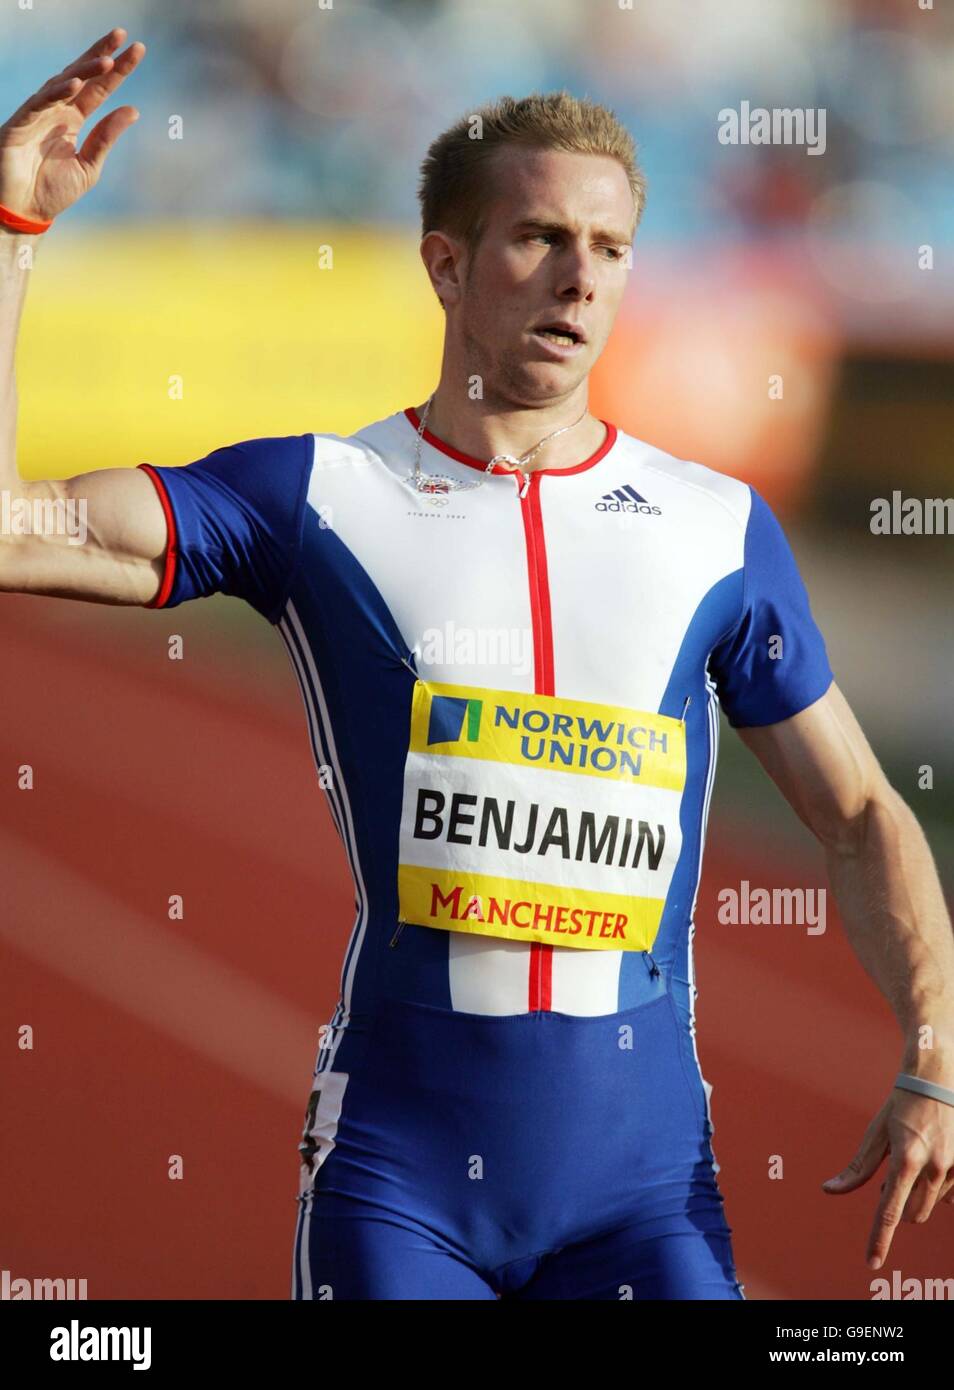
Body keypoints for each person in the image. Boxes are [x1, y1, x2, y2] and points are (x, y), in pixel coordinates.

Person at [2, 28, 952, 1303]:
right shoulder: (316, 495)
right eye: (540, 240)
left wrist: (933, 1055)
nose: (580, 280)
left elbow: (858, 812)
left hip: (644, 1202)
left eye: (610, 250)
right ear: (446, 264)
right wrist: (13, 225)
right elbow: (15, 526)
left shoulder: (717, 527)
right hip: (403, 1195)